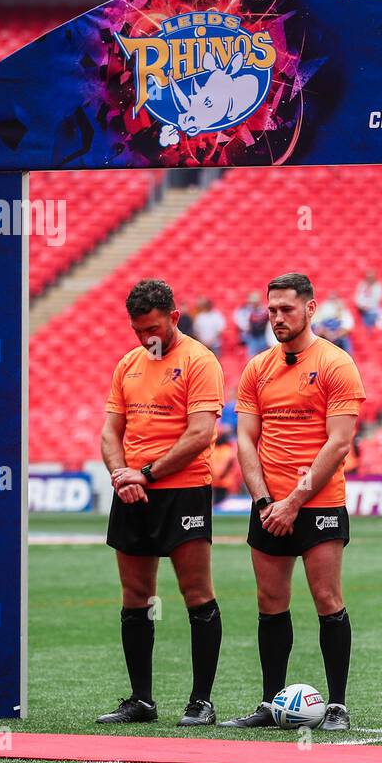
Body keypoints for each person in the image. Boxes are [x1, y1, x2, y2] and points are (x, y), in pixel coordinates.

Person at [223, 273, 366, 732]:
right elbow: (245, 439)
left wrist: (294, 500)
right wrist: (266, 500)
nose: (278, 318)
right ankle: (270, 702)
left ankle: (338, 705)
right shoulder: (256, 368)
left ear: (310, 309)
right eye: (271, 311)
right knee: (270, 602)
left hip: (319, 502)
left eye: (286, 309)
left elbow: (339, 443)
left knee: (327, 598)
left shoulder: (336, 363)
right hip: (268, 504)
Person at [98, 279, 226, 727]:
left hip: (182, 490)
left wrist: (146, 473)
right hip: (131, 491)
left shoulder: (199, 361)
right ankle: (141, 700)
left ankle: (202, 702)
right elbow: (110, 432)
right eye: (137, 330)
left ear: (174, 316)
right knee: (136, 596)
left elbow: (200, 434)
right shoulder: (128, 365)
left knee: (197, 594)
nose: (145, 338)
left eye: (153, 328)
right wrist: (121, 475)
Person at [313, 290, 355, 356]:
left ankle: (348, 359)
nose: (332, 302)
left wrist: (335, 335)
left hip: (338, 337)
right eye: (330, 299)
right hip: (324, 337)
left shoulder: (344, 312)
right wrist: (326, 332)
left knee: (344, 340)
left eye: (334, 299)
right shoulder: (323, 309)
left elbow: (347, 327)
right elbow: (316, 325)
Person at [234, 291, 270, 359]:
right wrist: (247, 326)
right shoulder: (245, 310)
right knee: (251, 357)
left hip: (263, 335)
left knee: (264, 357)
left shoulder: (265, 310)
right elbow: (241, 321)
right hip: (252, 336)